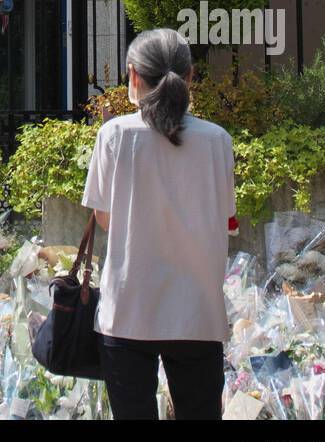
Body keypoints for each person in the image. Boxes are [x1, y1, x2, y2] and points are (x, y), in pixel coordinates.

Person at [81, 27, 235, 420]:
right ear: (191, 76)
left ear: (133, 76)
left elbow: (104, 219)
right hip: (198, 311)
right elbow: (226, 220)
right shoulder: (217, 140)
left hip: (130, 308)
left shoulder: (114, 135)